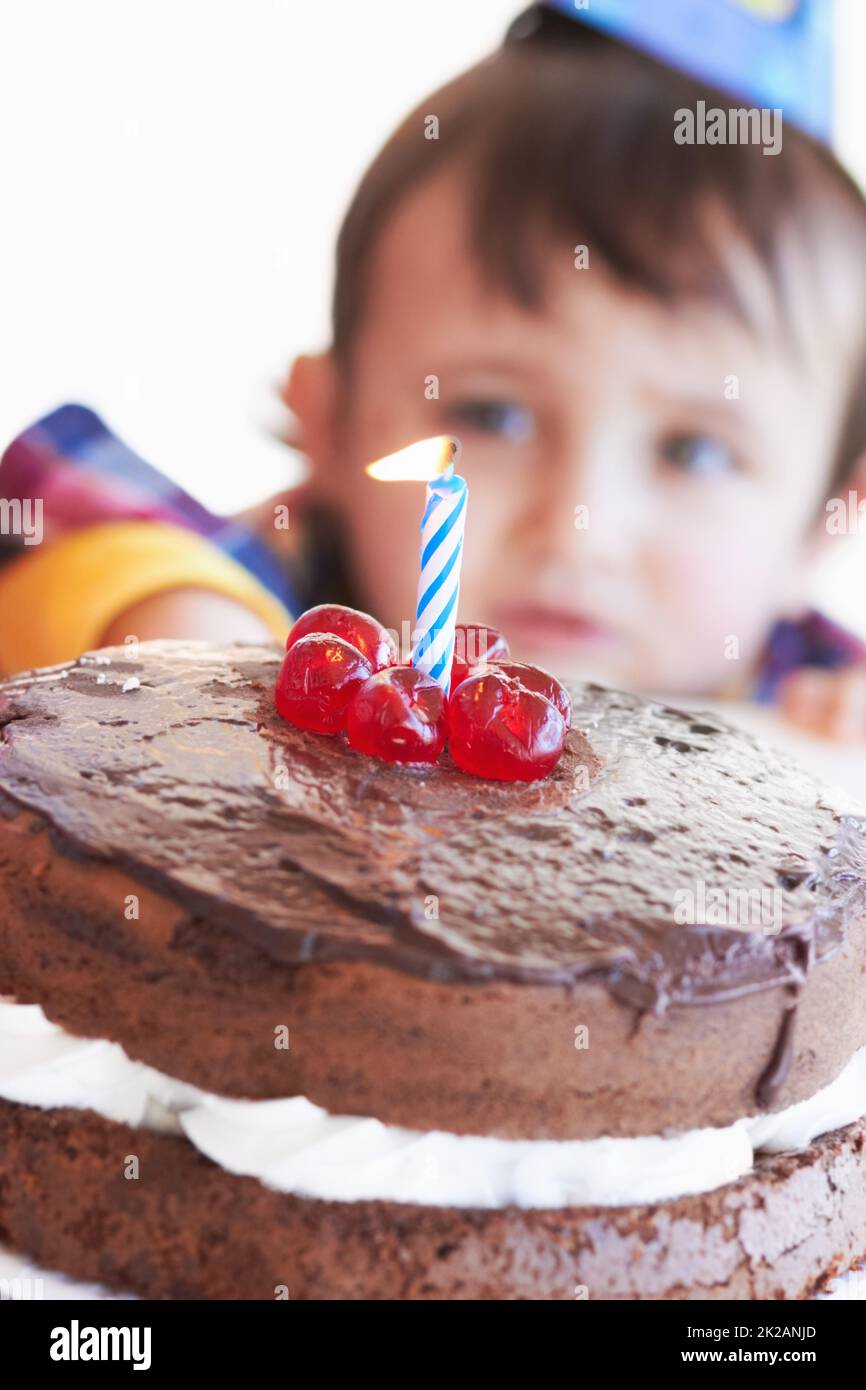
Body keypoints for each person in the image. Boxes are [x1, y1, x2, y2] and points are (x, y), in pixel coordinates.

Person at [2, 5, 865, 738]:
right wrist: (179, 625)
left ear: (825, 522)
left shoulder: (816, 697)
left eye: (695, 452)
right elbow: (71, 512)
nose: (580, 529)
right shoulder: (295, 620)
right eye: (494, 416)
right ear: (328, 423)